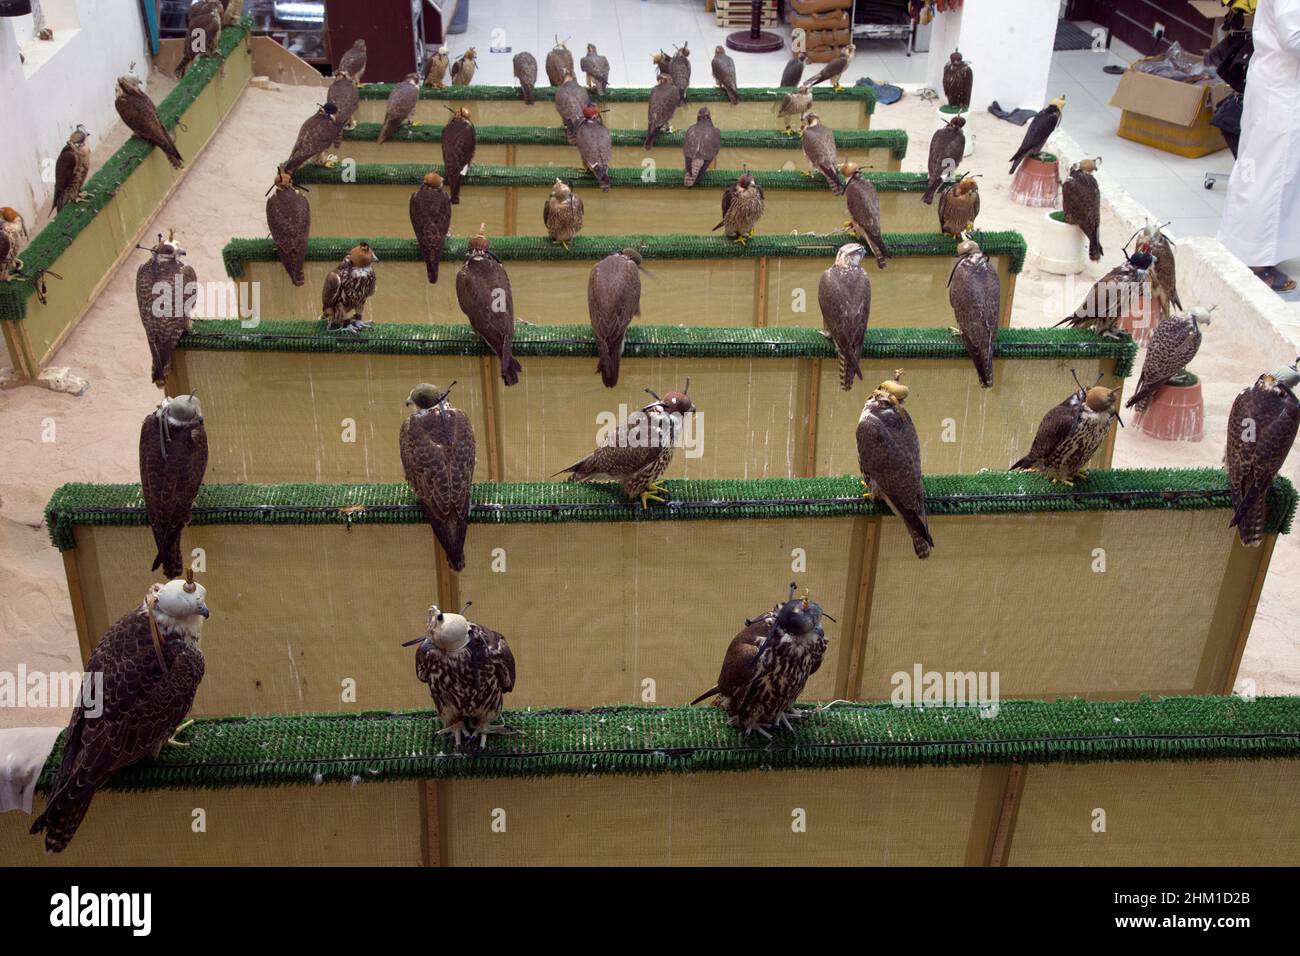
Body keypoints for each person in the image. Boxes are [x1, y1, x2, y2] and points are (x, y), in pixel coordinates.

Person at [1216, 0, 1300, 293]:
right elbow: (1294, 38)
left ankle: (1245, 247)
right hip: (1280, 88)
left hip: (1279, 82)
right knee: (1268, 176)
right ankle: (1254, 264)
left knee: (1264, 172)